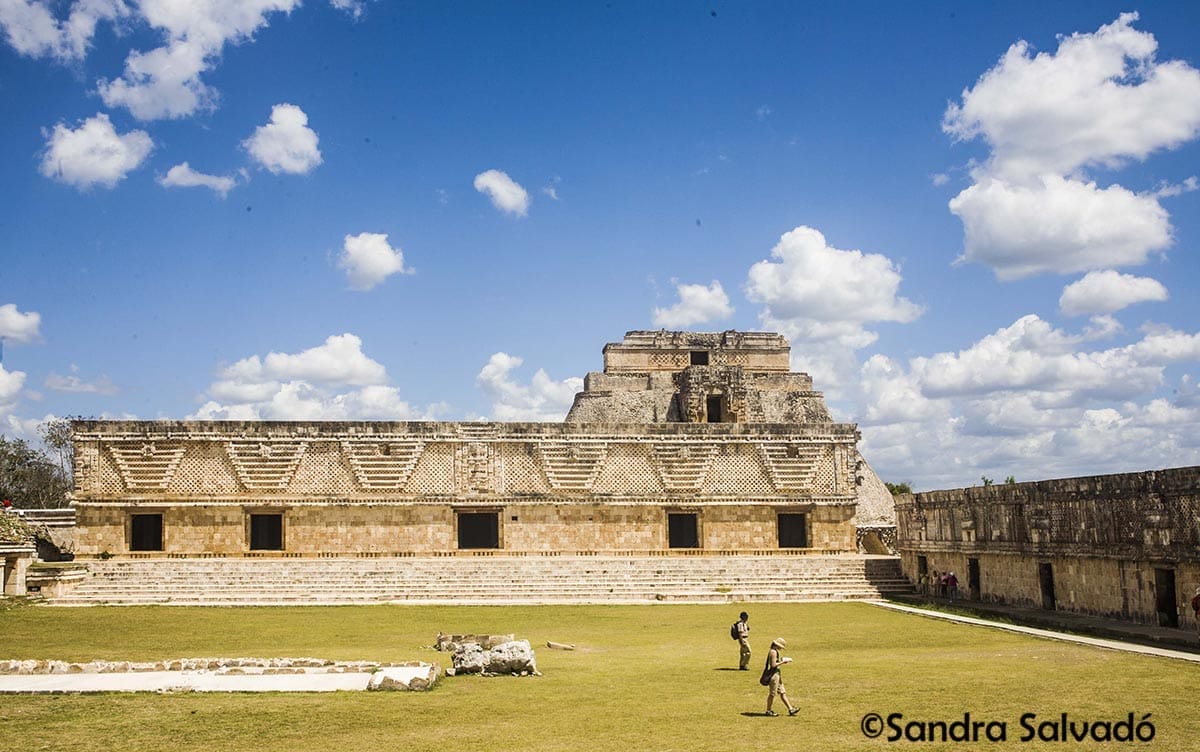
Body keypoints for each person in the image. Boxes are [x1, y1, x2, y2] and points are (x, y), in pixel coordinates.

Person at [762, 637, 798, 717]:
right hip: (774, 675)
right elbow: (773, 665)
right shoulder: (773, 652)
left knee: (782, 692)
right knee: (772, 693)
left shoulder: (774, 651)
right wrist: (783, 662)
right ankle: (768, 710)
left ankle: (791, 709)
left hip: (776, 674)